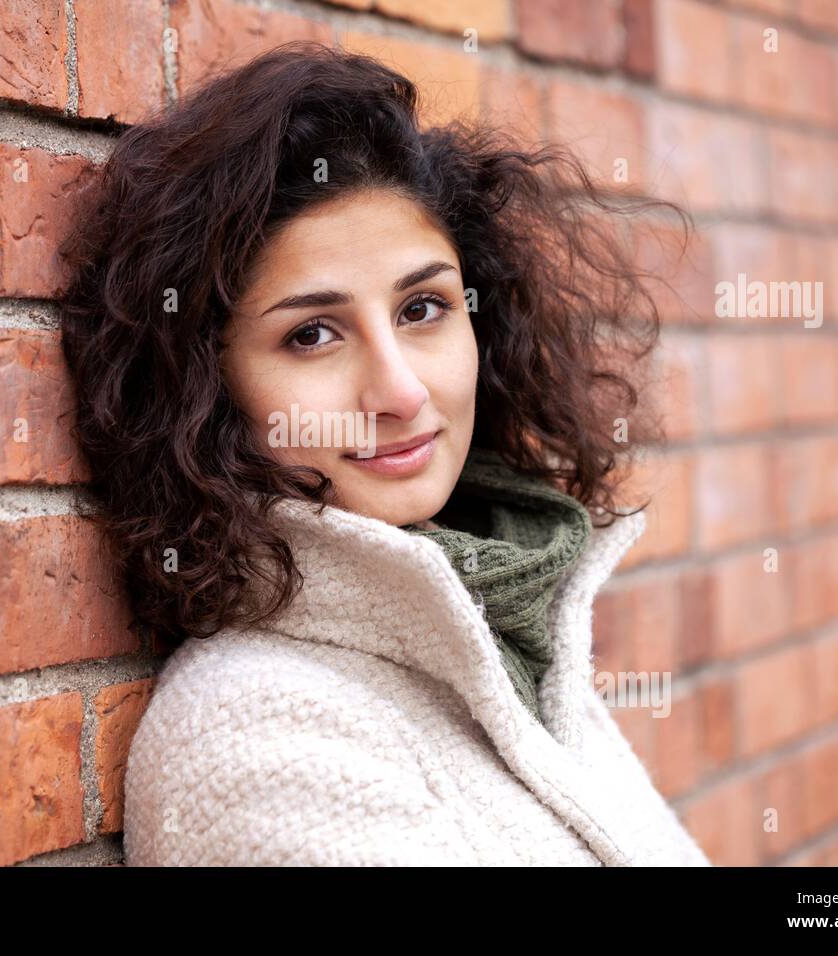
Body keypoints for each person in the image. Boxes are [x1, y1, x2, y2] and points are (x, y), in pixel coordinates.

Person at [60, 40, 711, 866]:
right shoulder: (261, 738)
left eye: (422, 309)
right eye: (312, 334)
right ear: (208, 392)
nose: (400, 392)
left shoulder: (516, 643)